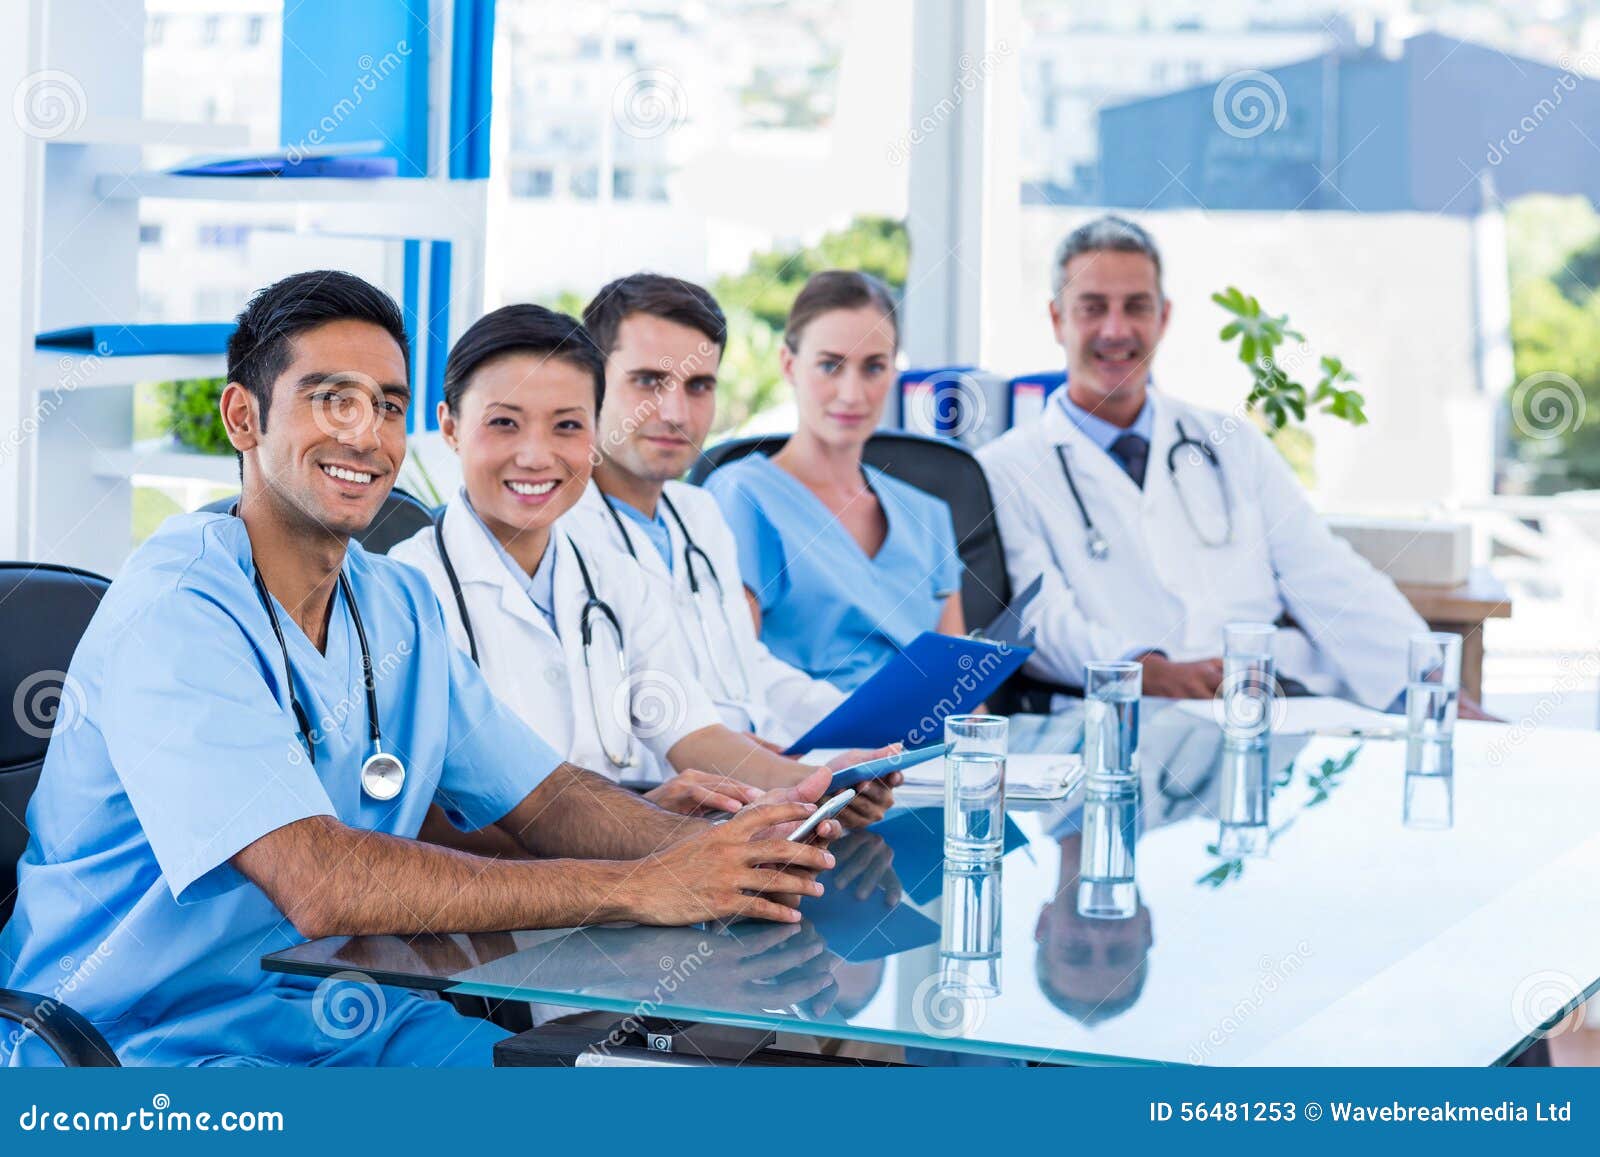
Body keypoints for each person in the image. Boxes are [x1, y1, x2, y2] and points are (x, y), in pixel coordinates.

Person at [0, 271, 841, 1069]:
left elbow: (547, 798)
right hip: (140, 1049)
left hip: (350, 1020)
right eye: (331, 399)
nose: (365, 434)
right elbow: (321, 882)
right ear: (243, 417)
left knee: (635, 1097)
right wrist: (640, 884)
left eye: (386, 405)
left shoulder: (395, 602)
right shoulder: (178, 609)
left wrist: (732, 852)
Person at [390, 302, 894, 826]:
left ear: (594, 430)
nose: (536, 455)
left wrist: (819, 783)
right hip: (499, 887)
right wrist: (637, 817)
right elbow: (422, 814)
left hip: (619, 864)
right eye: (503, 423)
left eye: (567, 425)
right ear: (449, 427)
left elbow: (691, 732)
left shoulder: (616, 579)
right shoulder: (404, 591)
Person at [976, 216, 1487, 714]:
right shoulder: (1006, 468)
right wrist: (1148, 671)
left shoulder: (1230, 443)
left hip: (1270, 704)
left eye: (1136, 306)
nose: (1116, 329)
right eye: (1092, 307)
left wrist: (1433, 687)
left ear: (1164, 317)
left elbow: (1326, 573)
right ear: (1056, 319)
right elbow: (1040, 622)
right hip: (1132, 716)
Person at [564, 272, 845, 749]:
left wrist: (865, 721)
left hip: (755, 787)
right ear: (592, 384)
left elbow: (745, 670)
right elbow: (605, 724)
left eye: (698, 386)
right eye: (649, 381)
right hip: (661, 802)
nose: (675, 412)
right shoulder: (559, 529)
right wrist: (755, 764)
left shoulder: (700, 514)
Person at [704, 271, 966, 690]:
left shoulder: (928, 514)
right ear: (789, 365)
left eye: (874, 367)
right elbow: (733, 686)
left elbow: (961, 693)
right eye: (830, 366)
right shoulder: (743, 497)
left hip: (928, 750)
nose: (852, 394)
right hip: (808, 747)